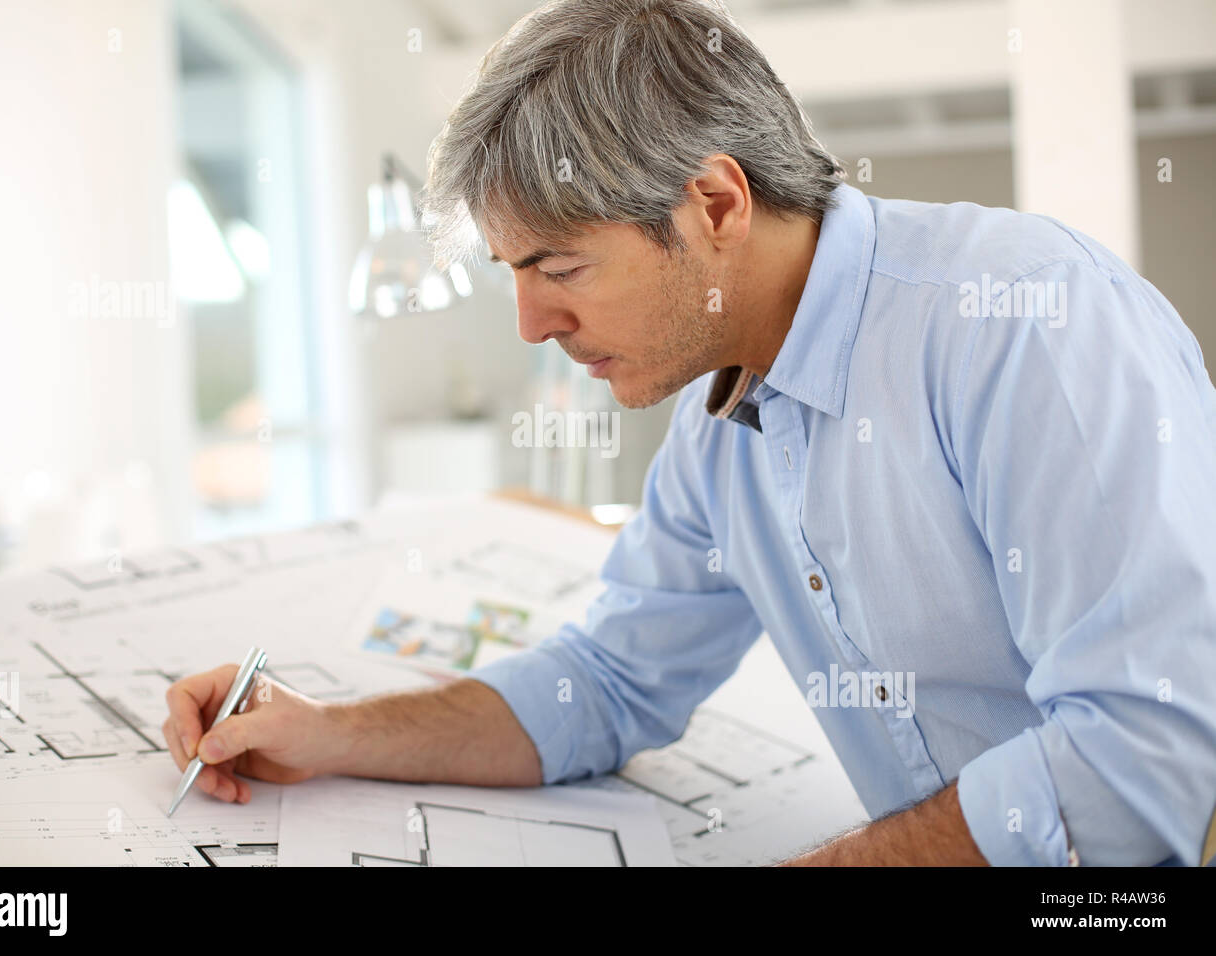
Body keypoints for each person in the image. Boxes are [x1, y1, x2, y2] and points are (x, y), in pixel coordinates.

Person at [162, 0, 1216, 866]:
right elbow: (607, 683)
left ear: (715, 204)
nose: (531, 324)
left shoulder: (1025, 321)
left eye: (559, 267)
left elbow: (1145, 759)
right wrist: (329, 731)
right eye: (513, 273)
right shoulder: (720, 429)